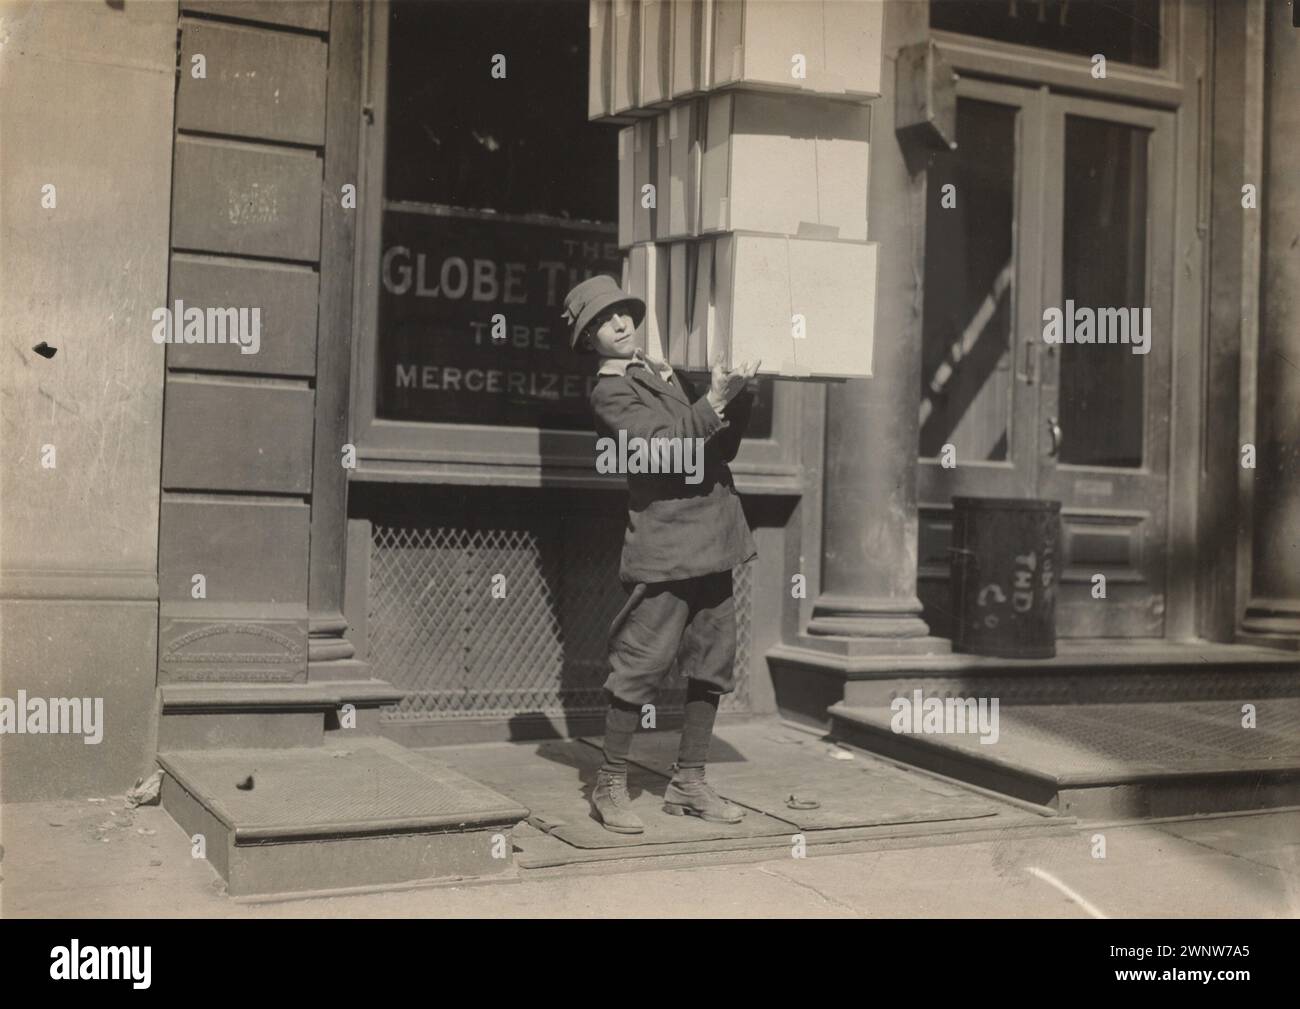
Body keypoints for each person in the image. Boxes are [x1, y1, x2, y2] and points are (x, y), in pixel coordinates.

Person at [560, 274, 760, 834]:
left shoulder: (661, 371)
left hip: (715, 537)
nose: (619, 324)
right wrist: (714, 399)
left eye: (622, 313)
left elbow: (719, 447)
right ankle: (609, 784)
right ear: (589, 340)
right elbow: (664, 454)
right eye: (603, 321)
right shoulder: (611, 391)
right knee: (640, 664)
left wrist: (741, 397)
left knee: (713, 663)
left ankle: (688, 782)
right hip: (666, 544)